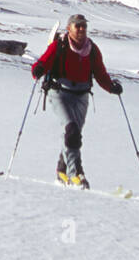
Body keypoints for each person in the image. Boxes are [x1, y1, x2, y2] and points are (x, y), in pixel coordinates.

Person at [30, 14, 122, 189]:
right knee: (71, 130)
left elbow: (100, 74)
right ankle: (76, 175)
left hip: (82, 94)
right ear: (69, 28)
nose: (81, 29)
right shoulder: (60, 45)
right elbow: (42, 63)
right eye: (77, 26)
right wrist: (38, 70)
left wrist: (111, 87)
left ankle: (61, 170)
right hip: (59, 92)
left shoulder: (92, 50)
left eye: (84, 26)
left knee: (73, 135)